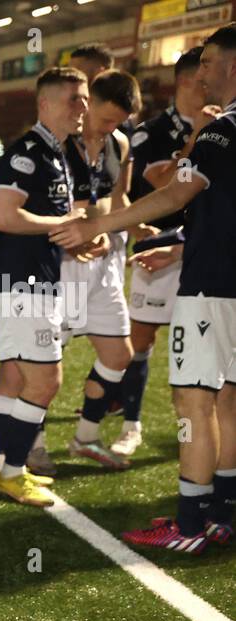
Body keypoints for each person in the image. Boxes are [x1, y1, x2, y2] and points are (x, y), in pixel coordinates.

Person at [50, 23, 236, 554]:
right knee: (228, 398)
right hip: (225, 280)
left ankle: (189, 523)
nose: (200, 73)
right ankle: (220, 513)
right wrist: (180, 249)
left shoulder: (224, 128)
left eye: (208, 63)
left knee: (192, 400)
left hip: (213, 288)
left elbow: (178, 193)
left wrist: (95, 226)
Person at [0, 66, 88, 506]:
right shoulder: (28, 150)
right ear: (45, 104)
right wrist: (64, 224)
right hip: (22, 284)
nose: (82, 106)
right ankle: (12, 470)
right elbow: (5, 216)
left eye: (84, 98)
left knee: (13, 379)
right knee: (46, 381)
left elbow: (43, 223)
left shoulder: (58, 152)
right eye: (73, 98)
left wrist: (74, 239)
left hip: (32, 282)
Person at [115, 46, 215, 457]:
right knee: (140, 339)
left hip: (206, 251)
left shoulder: (225, 124)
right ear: (185, 81)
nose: (209, 84)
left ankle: (196, 433)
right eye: (202, 75)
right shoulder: (152, 131)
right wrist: (196, 141)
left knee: (202, 351)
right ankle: (131, 424)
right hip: (156, 249)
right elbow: (163, 185)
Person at [56, 69, 141, 471]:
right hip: (62, 263)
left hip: (103, 263)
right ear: (87, 103)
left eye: (117, 122)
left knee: (119, 353)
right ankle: (27, 443)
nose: (110, 127)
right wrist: (79, 233)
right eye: (105, 119)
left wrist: (111, 232)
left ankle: (86, 436)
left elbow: (118, 198)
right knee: (43, 363)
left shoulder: (120, 142)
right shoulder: (57, 141)